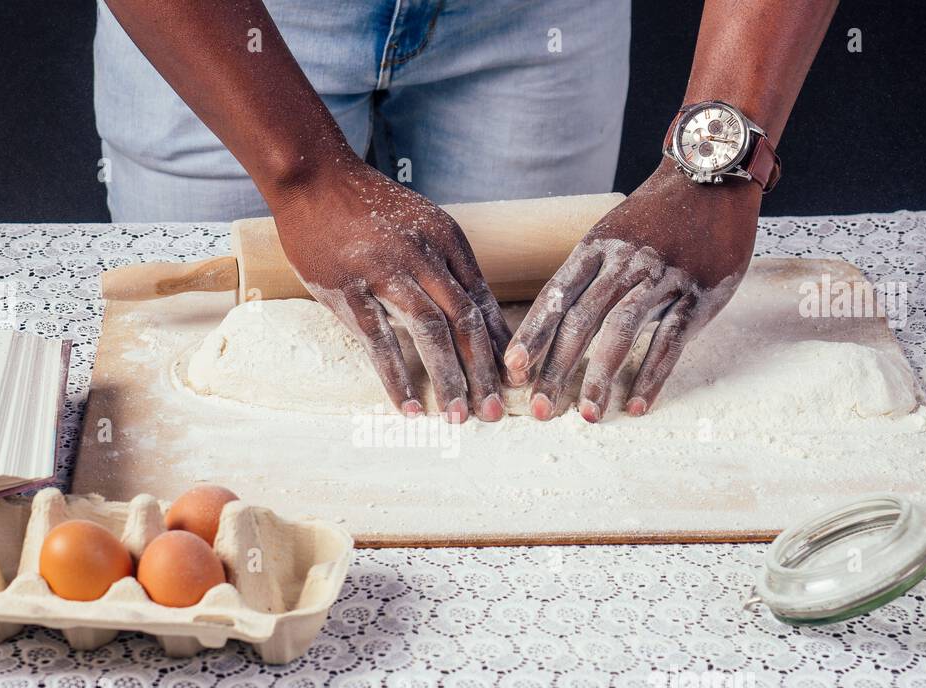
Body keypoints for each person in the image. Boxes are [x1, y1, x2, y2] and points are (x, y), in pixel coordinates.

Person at [95, 1, 837, 423]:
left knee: (535, 377)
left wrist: (715, 159)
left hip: (536, 20)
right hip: (226, 24)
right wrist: (302, 175)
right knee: (192, 401)